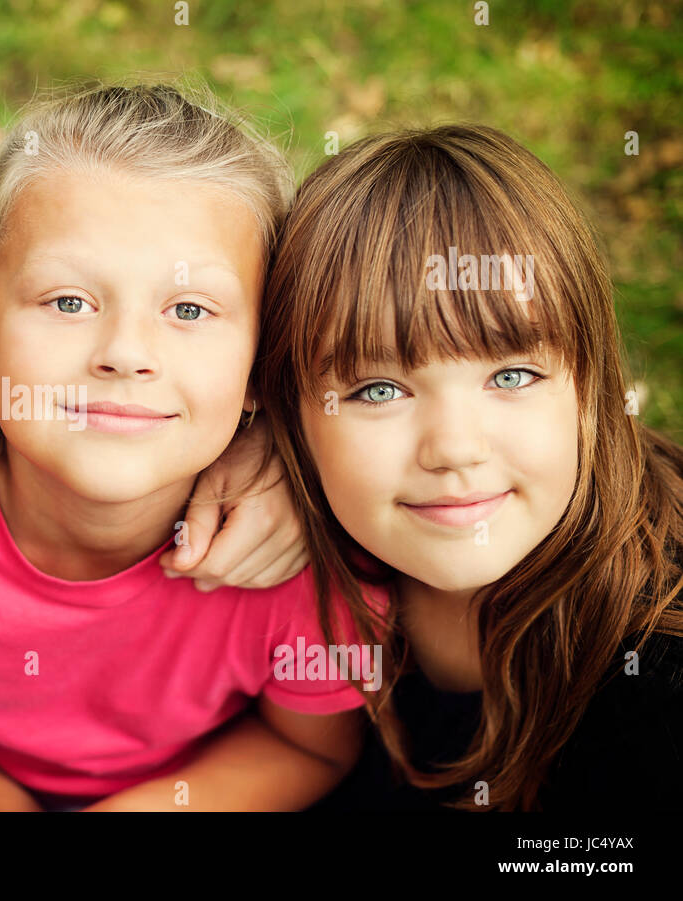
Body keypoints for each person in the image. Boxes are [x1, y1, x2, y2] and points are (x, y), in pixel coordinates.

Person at [0, 83, 384, 812]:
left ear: (260, 361)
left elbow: (308, 745)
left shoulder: (298, 571)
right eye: (69, 302)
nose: (124, 353)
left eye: (188, 309)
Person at [252, 124, 683, 810]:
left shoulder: (657, 671)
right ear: (288, 417)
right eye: (379, 390)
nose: (454, 447)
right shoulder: (253, 560)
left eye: (512, 375)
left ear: (591, 389)